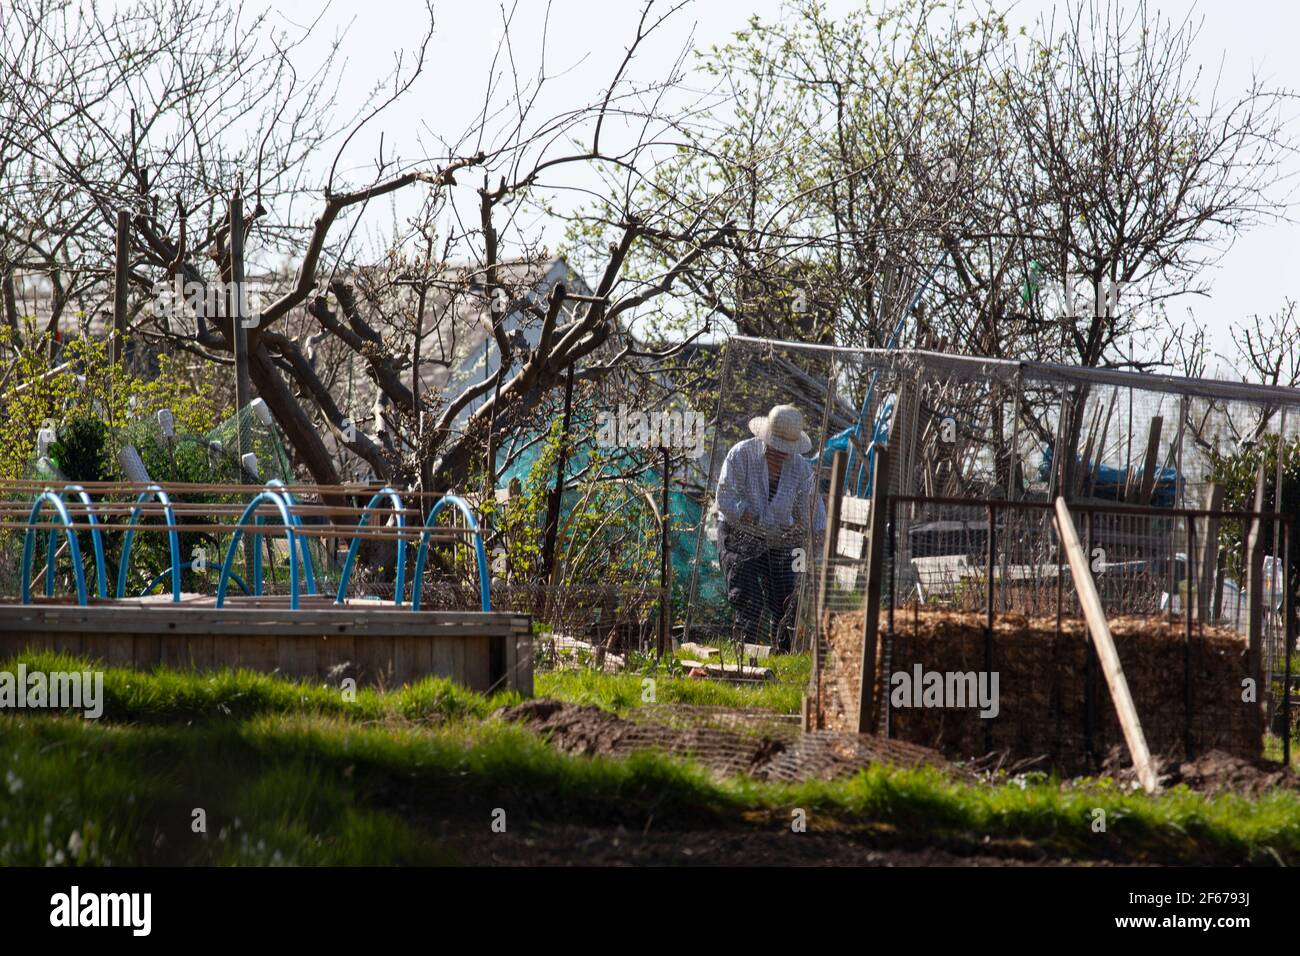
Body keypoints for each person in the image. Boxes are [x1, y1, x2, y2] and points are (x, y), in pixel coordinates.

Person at [715, 404, 826, 652]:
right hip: (738, 534)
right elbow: (724, 499)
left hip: (778, 541)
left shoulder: (801, 469)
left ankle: (782, 656)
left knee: (786, 598)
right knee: (748, 596)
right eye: (775, 447)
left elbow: (814, 512)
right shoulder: (740, 455)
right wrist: (749, 517)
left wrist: (817, 535)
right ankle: (745, 654)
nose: (779, 453)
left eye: (785, 450)